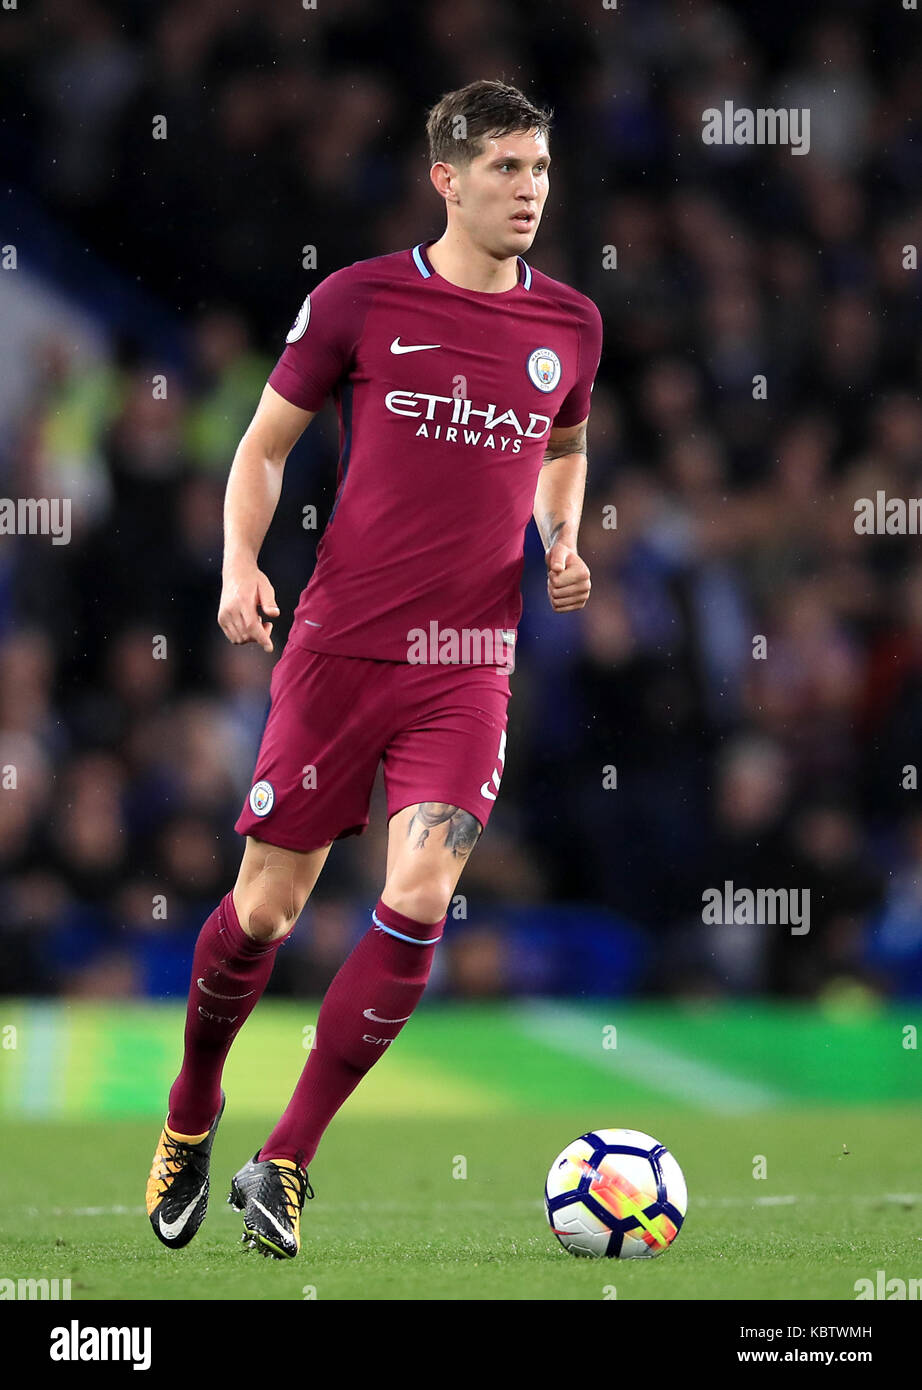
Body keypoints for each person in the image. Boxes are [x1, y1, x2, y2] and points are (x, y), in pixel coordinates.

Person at [146, 78, 603, 1259]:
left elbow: (565, 446)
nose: (530, 192)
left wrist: (561, 536)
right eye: (507, 169)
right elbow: (260, 448)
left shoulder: (572, 325)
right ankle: (193, 1108)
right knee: (264, 909)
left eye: (541, 171)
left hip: (468, 661)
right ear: (445, 177)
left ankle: (284, 1159)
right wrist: (239, 564)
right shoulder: (358, 299)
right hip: (340, 646)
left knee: (420, 893)